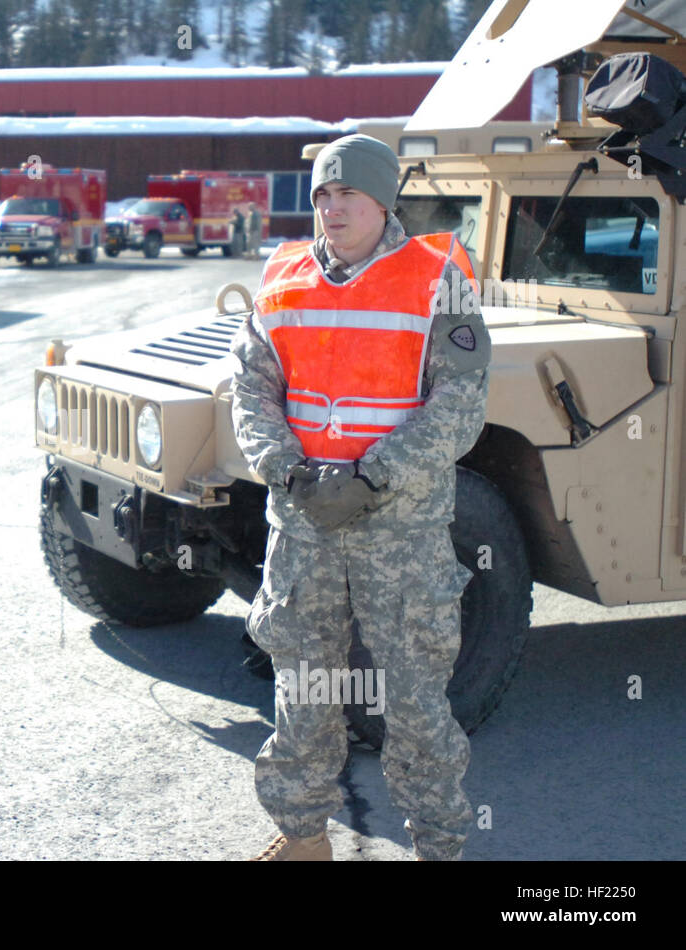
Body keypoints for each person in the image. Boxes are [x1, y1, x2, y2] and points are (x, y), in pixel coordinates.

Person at [229, 134, 490, 861]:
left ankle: (439, 847)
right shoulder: (281, 275)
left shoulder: (442, 277)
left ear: (384, 201)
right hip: (305, 523)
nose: (331, 208)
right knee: (303, 688)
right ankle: (304, 835)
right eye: (321, 195)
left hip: (397, 530)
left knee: (413, 700)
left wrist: (375, 474)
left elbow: (461, 404)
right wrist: (291, 472)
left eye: (346, 194)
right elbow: (251, 388)